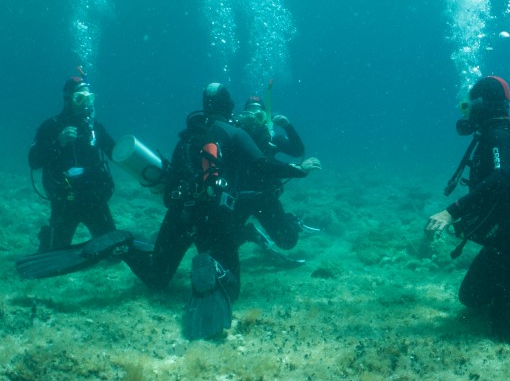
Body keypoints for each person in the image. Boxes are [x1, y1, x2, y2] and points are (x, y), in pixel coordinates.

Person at [18, 82, 317, 340]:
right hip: (215, 218)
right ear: (229, 106)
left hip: (179, 213)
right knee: (232, 287)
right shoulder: (233, 133)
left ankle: (124, 244)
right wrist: (298, 170)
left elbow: (169, 181)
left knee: (157, 278)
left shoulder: (186, 137)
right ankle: (211, 267)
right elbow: (260, 165)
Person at [426, 76, 510, 341]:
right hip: (506, 239)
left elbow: (501, 177)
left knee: (508, 328)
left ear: (481, 105)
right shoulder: (501, 133)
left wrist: (451, 211)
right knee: (471, 297)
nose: (465, 114)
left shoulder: (498, 135)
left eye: (467, 107)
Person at [28, 75, 118, 251]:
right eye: (80, 98)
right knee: (55, 253)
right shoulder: (51, 126)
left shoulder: (94, 127)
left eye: (90, 98)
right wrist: (58, 142)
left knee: (112, 253)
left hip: (95, 198)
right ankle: (48, 236)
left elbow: (115, 153)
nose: (86, 103)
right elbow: (34, 162)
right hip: (64, 200)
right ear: (68, 100)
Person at [234, 95, 320, 255]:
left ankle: (291, 221)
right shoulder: (235, 135)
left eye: (259, 115)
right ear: (242, 116)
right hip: (238, 198)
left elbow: (297, 151)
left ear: (265, 118)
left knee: (287, 242)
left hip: (266, 197)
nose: (253, 119)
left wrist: (288, 126)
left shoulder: (271, 136)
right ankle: (248, 232)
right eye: (248, 114)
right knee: (222, 240)